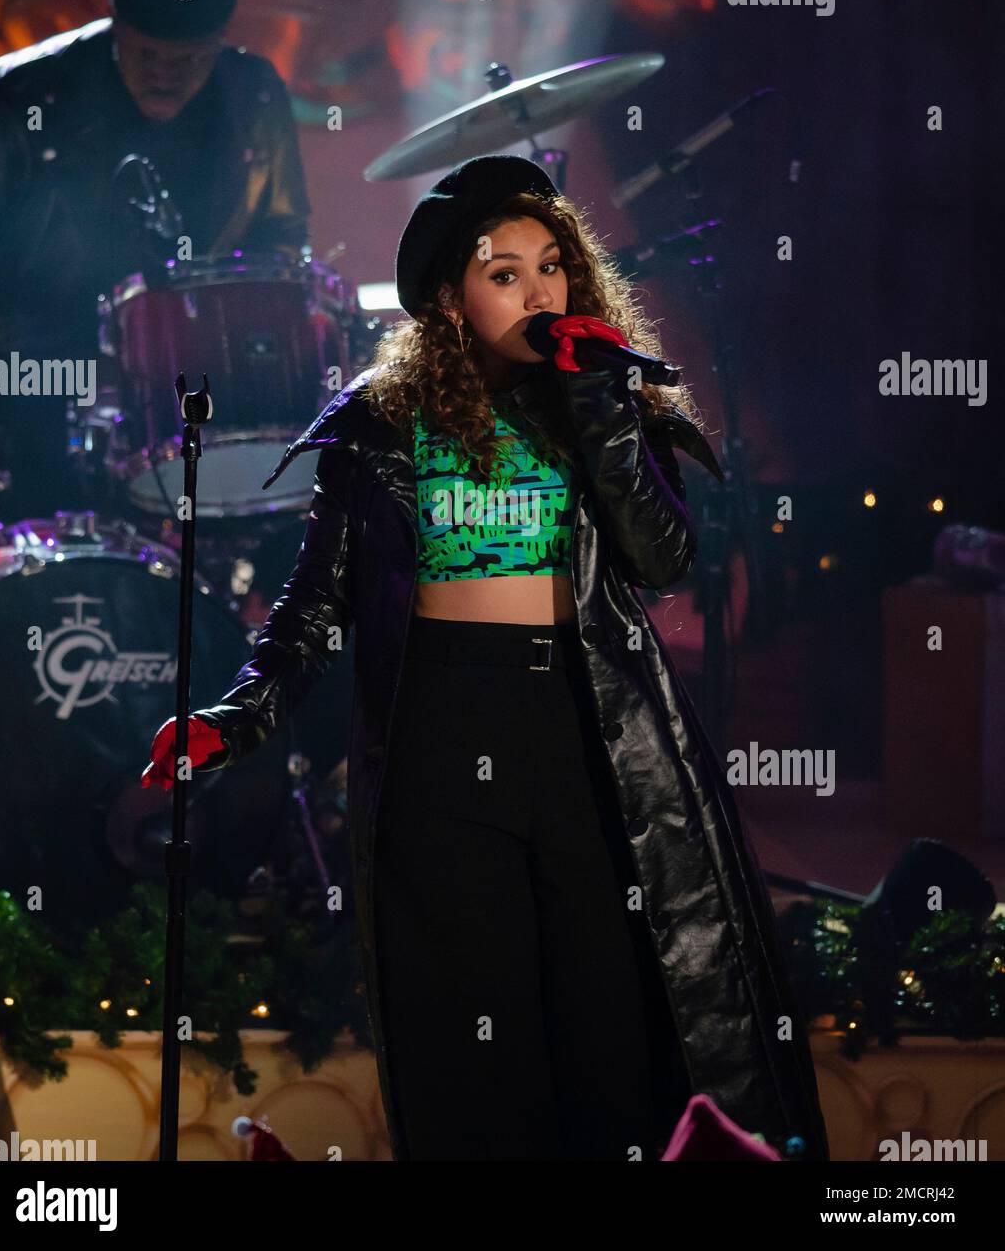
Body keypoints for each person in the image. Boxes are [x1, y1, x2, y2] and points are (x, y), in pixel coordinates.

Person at [143, 154, 829, 1163]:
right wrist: (234, 716)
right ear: (448, 298)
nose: (537, 287)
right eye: (502, 270)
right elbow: (312, 606)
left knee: (610, 1028)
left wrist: (600, 409)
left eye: (550, 264)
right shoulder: (381, 424)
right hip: (442, 742)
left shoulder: (606, 403)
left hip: (585, 730)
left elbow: (663, 560)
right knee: (475, 1048)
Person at [0, 0, 310, 514]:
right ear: (113, 25)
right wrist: (80, 369)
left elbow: (281, 241)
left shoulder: (253, 90)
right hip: (40, 371)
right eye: (145, 52)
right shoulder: (19, 92)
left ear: (221, 39)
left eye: (190, 58)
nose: (163, 73)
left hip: (198, 376)